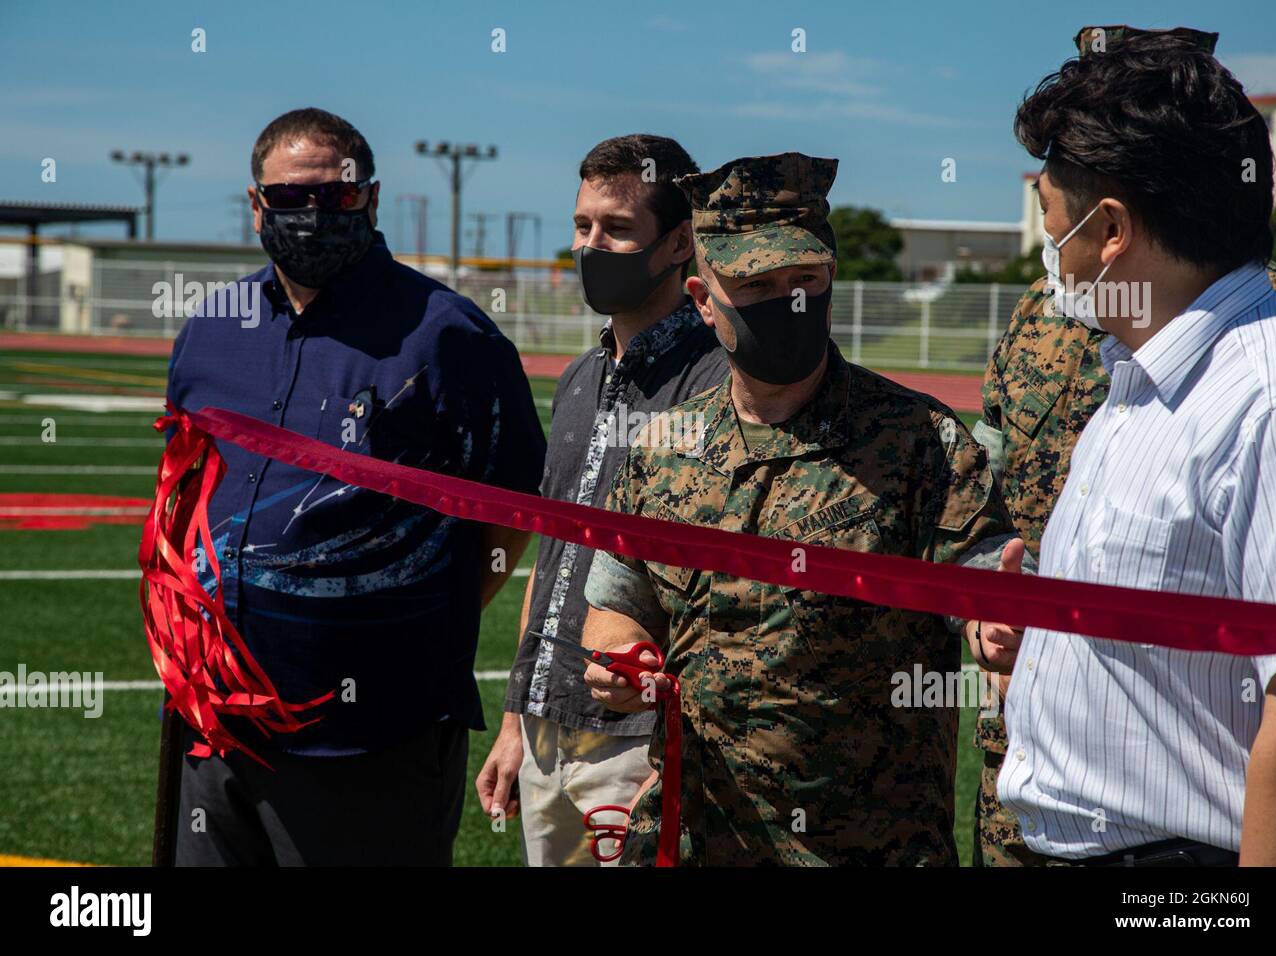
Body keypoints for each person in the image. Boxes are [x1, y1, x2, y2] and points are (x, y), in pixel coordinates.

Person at [579, 152, 1025, 865]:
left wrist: (992, 620)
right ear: (702, 298)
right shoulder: (664, 447)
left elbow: (979, 584)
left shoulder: (923, 441)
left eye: (805, 281)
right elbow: (618, 598)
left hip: (871, 848)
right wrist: (619, 659)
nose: (788, 302)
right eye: (757, 285)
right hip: (700, 836)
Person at [164, 108, 545, 865]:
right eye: (290, 198)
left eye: (333, 198)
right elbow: (184, 484)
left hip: (370, 731)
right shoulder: (212, 326)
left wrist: (406, 618)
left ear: (369, 199)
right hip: (214, 721)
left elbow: (513, 511)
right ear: (255, 203)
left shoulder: (447, 335)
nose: (312, 215)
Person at [972, 24, 1276, 868]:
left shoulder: (1273, 396)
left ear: (1109, 229)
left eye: (1050, 219)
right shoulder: (1138, 374)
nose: (1050, 253)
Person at [476, 134, 728, 866]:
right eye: (582, 226)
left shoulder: (720, 380)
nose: (592, 245)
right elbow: (553, 558)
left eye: (616, 228)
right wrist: (517, 720)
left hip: (640, 738)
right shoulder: (579, 377)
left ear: (680, 241)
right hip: (549, 725)